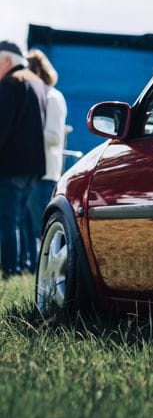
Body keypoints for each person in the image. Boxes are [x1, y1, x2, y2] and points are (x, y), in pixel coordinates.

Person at [0, 40, 47, 277]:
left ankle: (9, 269)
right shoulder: (37, 83)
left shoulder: (10, 84)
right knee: (20, 220)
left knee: (7, 219)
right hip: (33, 165)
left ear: (7, 61)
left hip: (11, 165)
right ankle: (20, 268)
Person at [25, 49, 68, 273]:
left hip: (45, 172)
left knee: (41, 228)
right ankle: (31, 269)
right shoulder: (39, 95)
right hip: (33, 170)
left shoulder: (53, 97)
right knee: (29, 227)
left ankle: (44, 270)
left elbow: (53, 136)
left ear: (38, 70)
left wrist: (22, 135)